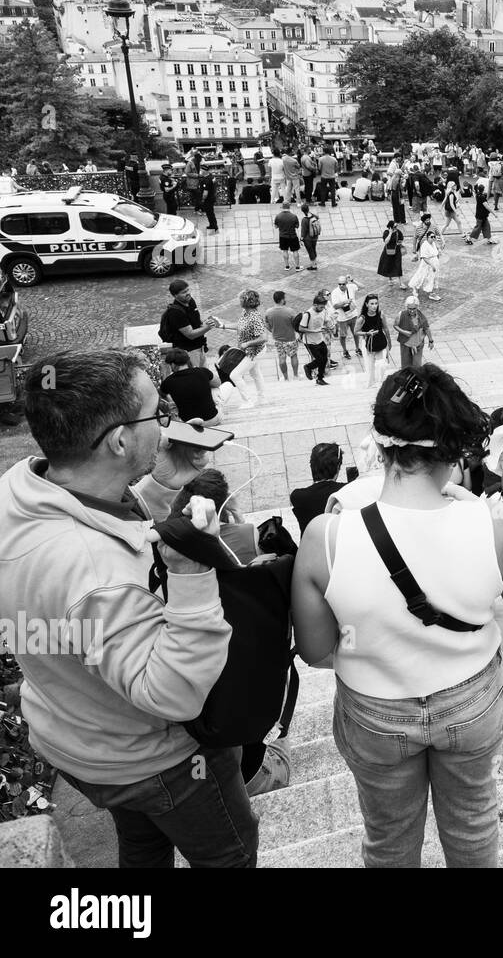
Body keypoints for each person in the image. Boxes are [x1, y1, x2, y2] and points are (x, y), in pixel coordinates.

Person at [0, 348, 256, 867]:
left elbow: (101, 532)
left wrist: (156, 486)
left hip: (78, 737)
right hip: (162, 763)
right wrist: (190, 576)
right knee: (230, 852)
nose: (167, 424)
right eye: (156, 413)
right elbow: (173, 693)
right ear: (119, 440)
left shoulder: (19, 489)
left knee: (143, 842)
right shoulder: (99, 579)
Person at [290, 364, 503, 867]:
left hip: (374, 709)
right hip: (472, 700)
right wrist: (499, 521)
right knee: (474, 821)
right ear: (455, 450)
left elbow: (316, 650)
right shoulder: (492, 522)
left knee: (388, 836)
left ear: (381, 443)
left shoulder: (325, 536)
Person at [289, 441, 346, 534]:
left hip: (310, 546)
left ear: (312, 466)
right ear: (338, 467)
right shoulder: (346, 490)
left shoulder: (297, 496)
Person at [160, 279, 218, 370]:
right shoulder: (175, 312)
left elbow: (196, 318)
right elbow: (190, 334)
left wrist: (204, 323)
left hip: (199, 345)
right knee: (195, 373)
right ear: (175, 295)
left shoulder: (190, 301)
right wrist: (208, 327)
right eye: (184, 292)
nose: (188, 293)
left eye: (188, 290)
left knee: (204, 371)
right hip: (189, 350)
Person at [160, 348, 221, 425]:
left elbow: (162, 395)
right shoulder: (202, 371)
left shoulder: (168, 381)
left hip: (187, 421)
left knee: (168, 396)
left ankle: (191, 419)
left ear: (172, 364)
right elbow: (218, 383)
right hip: (212, 419)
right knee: (219, 387)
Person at [232, 289, 268, 409]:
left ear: (245, 301)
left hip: (254, 352)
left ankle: (248, 401)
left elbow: (264, 337)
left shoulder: (254, 317)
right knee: (256, 373)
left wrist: (247, 344)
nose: (239, 301)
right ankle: (262, 399)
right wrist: (221, 325)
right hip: (250, 351)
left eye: (240, 299)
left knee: (235, 375)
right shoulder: (245, 312)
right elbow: (239, 326)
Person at [299, 291, 335, 386]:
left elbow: (326, 321)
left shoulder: (323, 311)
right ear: (315, 305)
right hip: (310, 342)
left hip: (320, 339)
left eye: (323, 307)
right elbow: (301, 328)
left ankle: (320, 378)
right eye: (321, 307)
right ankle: (308, 367)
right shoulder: (308, 314)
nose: (322, 309)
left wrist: (330, 326)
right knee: (319, 359)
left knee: (325, 359)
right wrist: (314, 331)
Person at [265, 291, 300, 381]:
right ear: (281, 300)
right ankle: (295, 376)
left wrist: (273, 331)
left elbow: (267, 325)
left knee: (281, 358)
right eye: (285, 298)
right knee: (293, 356)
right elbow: (296, 325)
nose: (286, 300)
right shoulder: (290, 311)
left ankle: (285, 378)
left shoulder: (268, 312)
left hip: (277, 339)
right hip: (290, 338)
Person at [357, 293, 391, 386]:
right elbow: (356, 331)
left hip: (381, 342)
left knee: (381, 365)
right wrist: (367, 333)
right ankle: (371, 384)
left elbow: (386, 328)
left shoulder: (380, 314)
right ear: (366, 304)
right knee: (370, 367)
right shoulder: (362, 318)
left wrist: (389, 342)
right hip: (368, 344)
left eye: (376, 303)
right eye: (372, 304)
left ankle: (380, 383)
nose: (374, 306)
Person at [409, 217, 444, 303]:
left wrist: (439, 250)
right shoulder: (425, 244)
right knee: (421, 275)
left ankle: (431, 292)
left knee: (431, 277)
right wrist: (432, 265)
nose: (433, 238)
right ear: (428, 237)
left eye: (434, 237)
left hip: (433, 264)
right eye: (432, 237)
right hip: (427, 264)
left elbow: (436, 251)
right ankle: (416, 288)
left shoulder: (433, 243)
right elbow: (424, 257)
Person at [329, 275, 363, 359]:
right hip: (342, 318)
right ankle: (344, 350)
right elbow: (335, 306)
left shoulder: (351, 287)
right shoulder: (335, 292)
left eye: (343, 284)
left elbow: (363, 287)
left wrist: (353, 280)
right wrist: (345, 302)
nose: (341, 286)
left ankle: (357, 348)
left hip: (353, 315)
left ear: (346, 283)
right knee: (343, 335)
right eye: (339, 284)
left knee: (356, 333)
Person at [394, 295, 431, 369]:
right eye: (409, 308)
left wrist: (431, 340)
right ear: (406, 307)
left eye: (414, 308)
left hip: (418, 345)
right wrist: (404, 332)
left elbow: (426, 328)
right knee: (406, 367)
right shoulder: (401, 315)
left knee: (417, 366)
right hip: (406, 344)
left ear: (417, 307)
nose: (412, 311)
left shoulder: (421, 317)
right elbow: (395, 326)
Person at [377, 220, 404, 287]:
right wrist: (390, 233)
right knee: (389, 265)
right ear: (390, 227)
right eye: (394, 226)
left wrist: (399, 243)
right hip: (388, 251)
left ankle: (401, 283)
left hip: (396, 251)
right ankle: (390, 279)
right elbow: (386, 242)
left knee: (398, 266)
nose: (396, 227)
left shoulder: (398, 232)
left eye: (396, 226)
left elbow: (401, 239)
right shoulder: (386, 232)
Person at [300, 203, 321, 271]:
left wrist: (301, 239)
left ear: (302, 211)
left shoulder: (305, 219)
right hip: (315, 236)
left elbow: (303, 231)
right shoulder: (313, 215)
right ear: (308, 209)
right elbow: (317, 217)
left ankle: (313, 265)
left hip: (308, 238)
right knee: (313, 249)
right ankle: (314, 263)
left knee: (310, 251)